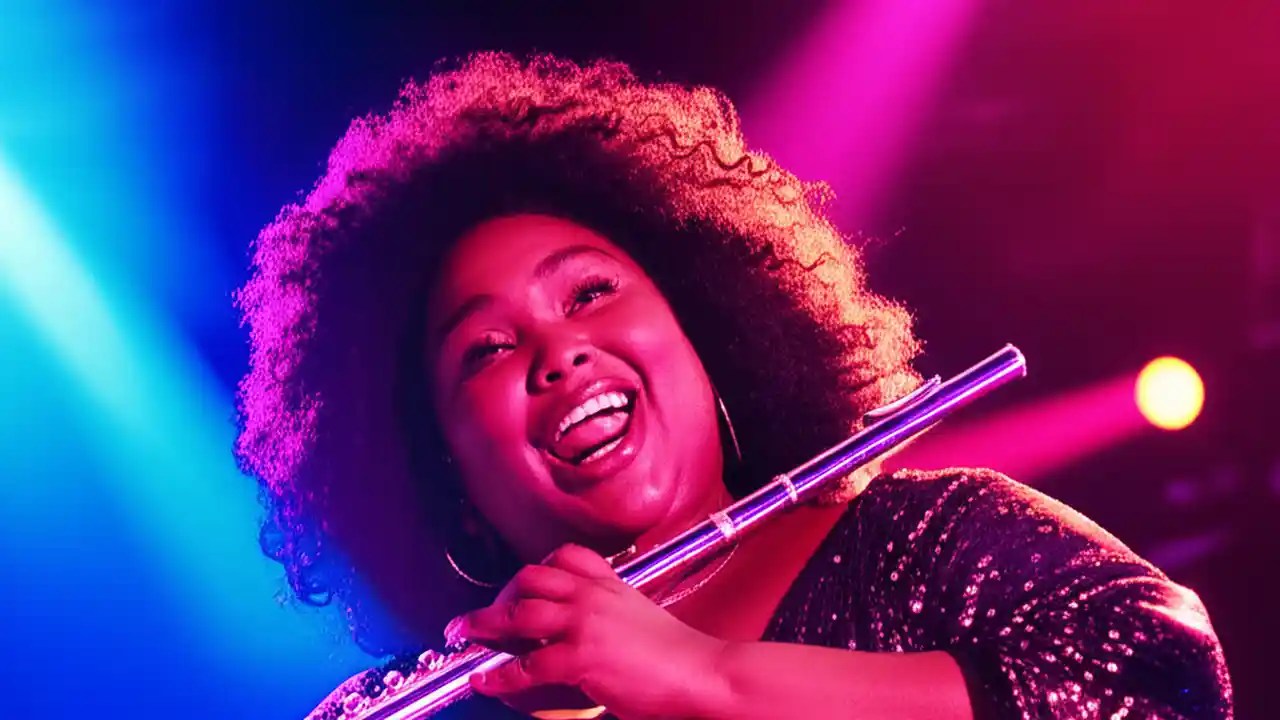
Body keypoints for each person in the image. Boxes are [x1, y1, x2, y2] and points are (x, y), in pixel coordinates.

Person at [236, 53, 1233, 719]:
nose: (558, 354)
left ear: (707, 338)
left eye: (589, 293)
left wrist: (692, 674)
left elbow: (1157, 686)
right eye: (484, 351)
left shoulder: (922, 537)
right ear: (443, 472)